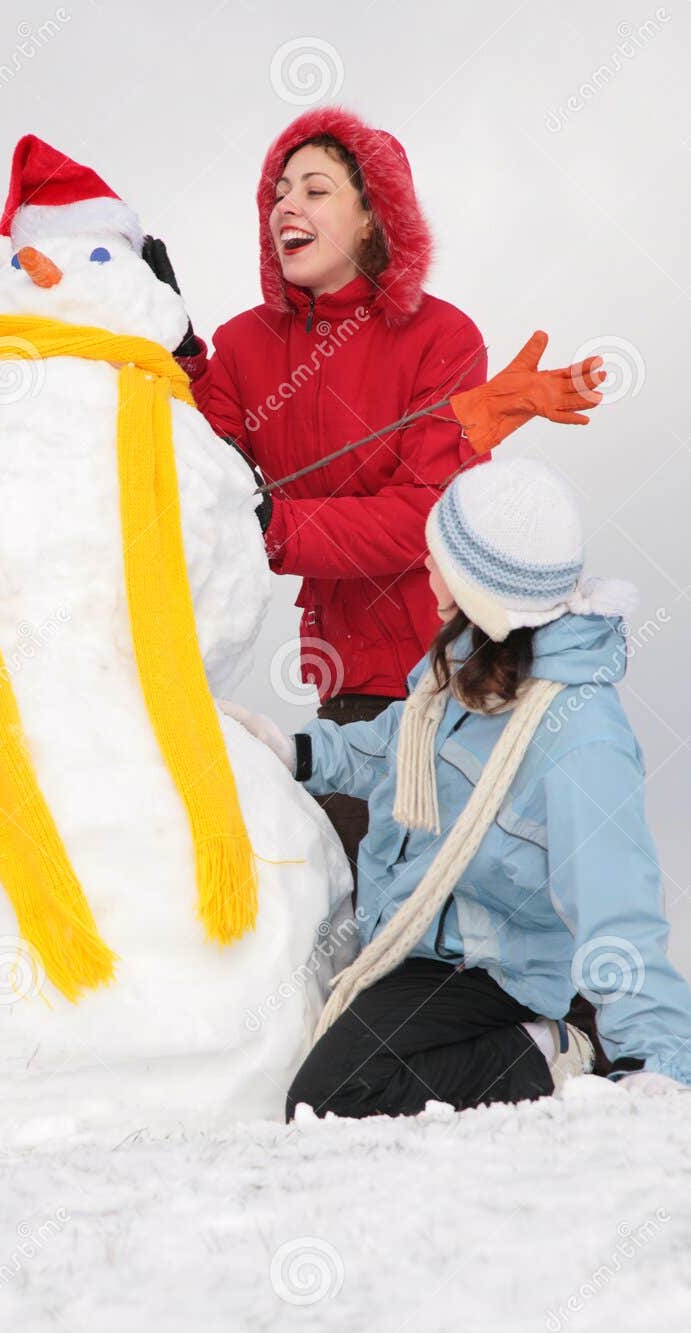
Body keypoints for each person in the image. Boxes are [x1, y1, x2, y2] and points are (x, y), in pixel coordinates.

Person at [222, 457, 691, 1120]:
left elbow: (618, 902)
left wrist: (659, 1061)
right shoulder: (465, 659)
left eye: (438, 559)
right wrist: (294, 752)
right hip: (418, 941)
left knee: (332, 1096)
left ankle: (546, 1050)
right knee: (338, 1071)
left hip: (495, 970)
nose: (425, 570)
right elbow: (395, 747)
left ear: (481, 585)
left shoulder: (578, 734)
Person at [172, 104, 487, 882]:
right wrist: (169, 353)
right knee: (339, 913)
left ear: (374, 218)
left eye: (314, 190)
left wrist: (275, 524)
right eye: (278, 191)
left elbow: (426, 516)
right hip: (347, 691)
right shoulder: (244, 346)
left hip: (458, 680)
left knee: (485, 917)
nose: (286, 205)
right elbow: (196, 471)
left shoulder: (442, 339)